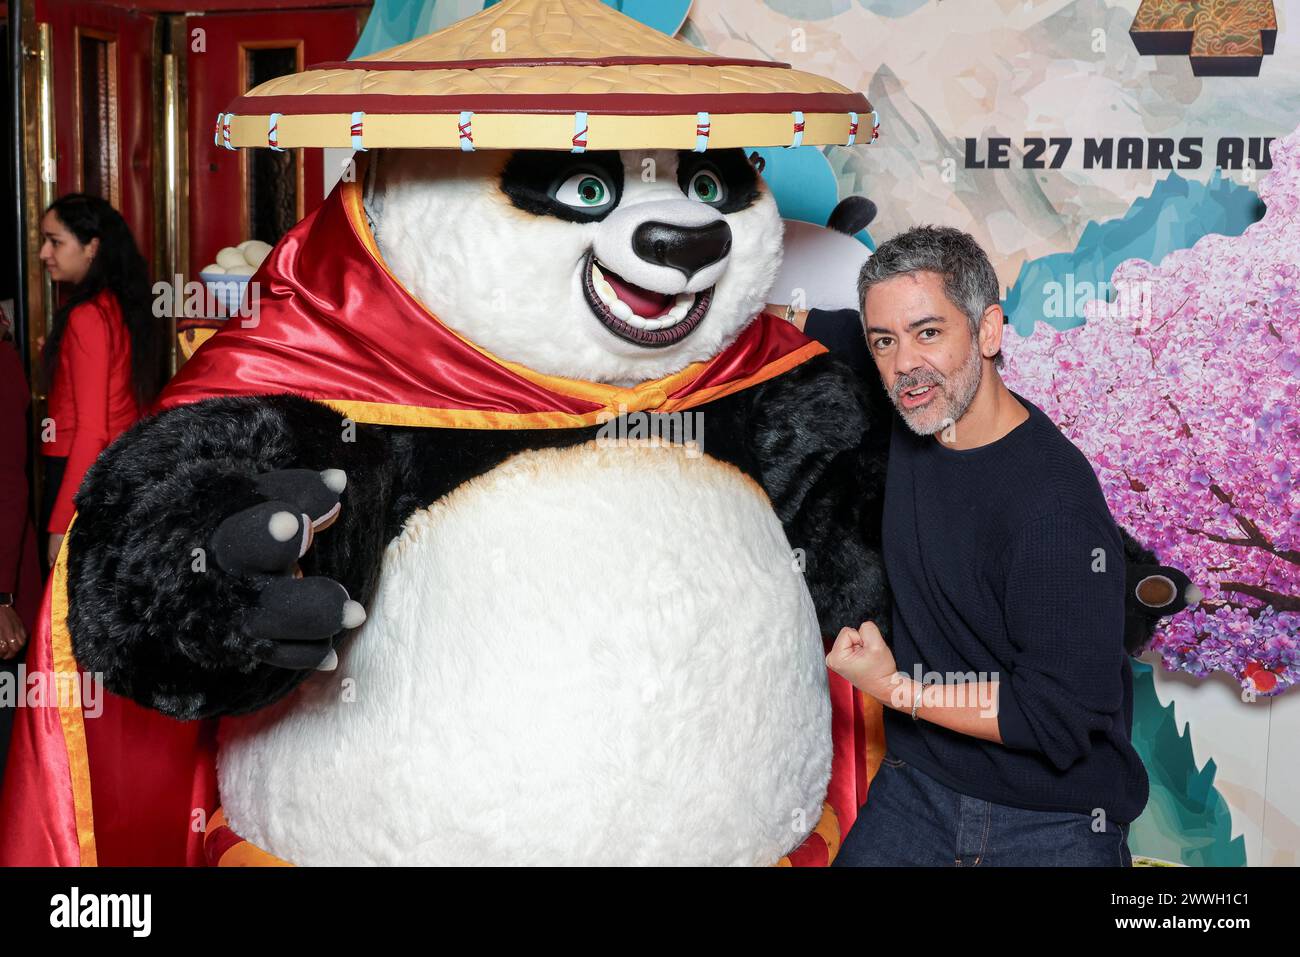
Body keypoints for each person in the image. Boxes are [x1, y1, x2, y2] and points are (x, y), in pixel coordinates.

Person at [784, 225, 1147, 866]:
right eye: (885, 342)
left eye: (930, 333)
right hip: (921, 786)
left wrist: (896, 688)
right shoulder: (917, 395)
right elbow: (805, 325)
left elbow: (1057, 716)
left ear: (987, 332)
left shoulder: (1054, 509)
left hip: (1051, 818)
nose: (905, 366)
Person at [38, 194, 162, 567]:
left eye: (55, 241)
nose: (45, 252)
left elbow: (90, 429)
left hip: (82, 472)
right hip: (119, 471)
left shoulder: (89, 316)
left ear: (91, 247)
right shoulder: (122, 307)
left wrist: (61, 524)